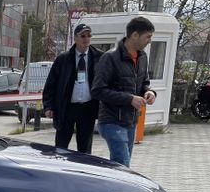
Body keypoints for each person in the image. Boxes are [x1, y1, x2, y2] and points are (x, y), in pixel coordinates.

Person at [91, 16, 157, 167]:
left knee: (121, 166)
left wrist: (149, 92)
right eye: (148, 37)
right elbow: (97, 90)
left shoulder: (142, 57)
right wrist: (129, 99)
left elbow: (144, 83)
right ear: (135, 35)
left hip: (131, 121)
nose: (150, 41)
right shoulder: (110, 58)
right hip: (111, 121)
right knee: (122, 164)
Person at [41, 22, 103, 153]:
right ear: (75, 38)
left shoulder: (99, 57)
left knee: (85, 149)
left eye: (89, 36)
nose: (86, 39)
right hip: (66, 107)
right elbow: (50, 85)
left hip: (88, 108)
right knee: (61, 147)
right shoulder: (63, 59)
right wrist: (48, 106)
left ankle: (82, 165)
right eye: (83, 36)